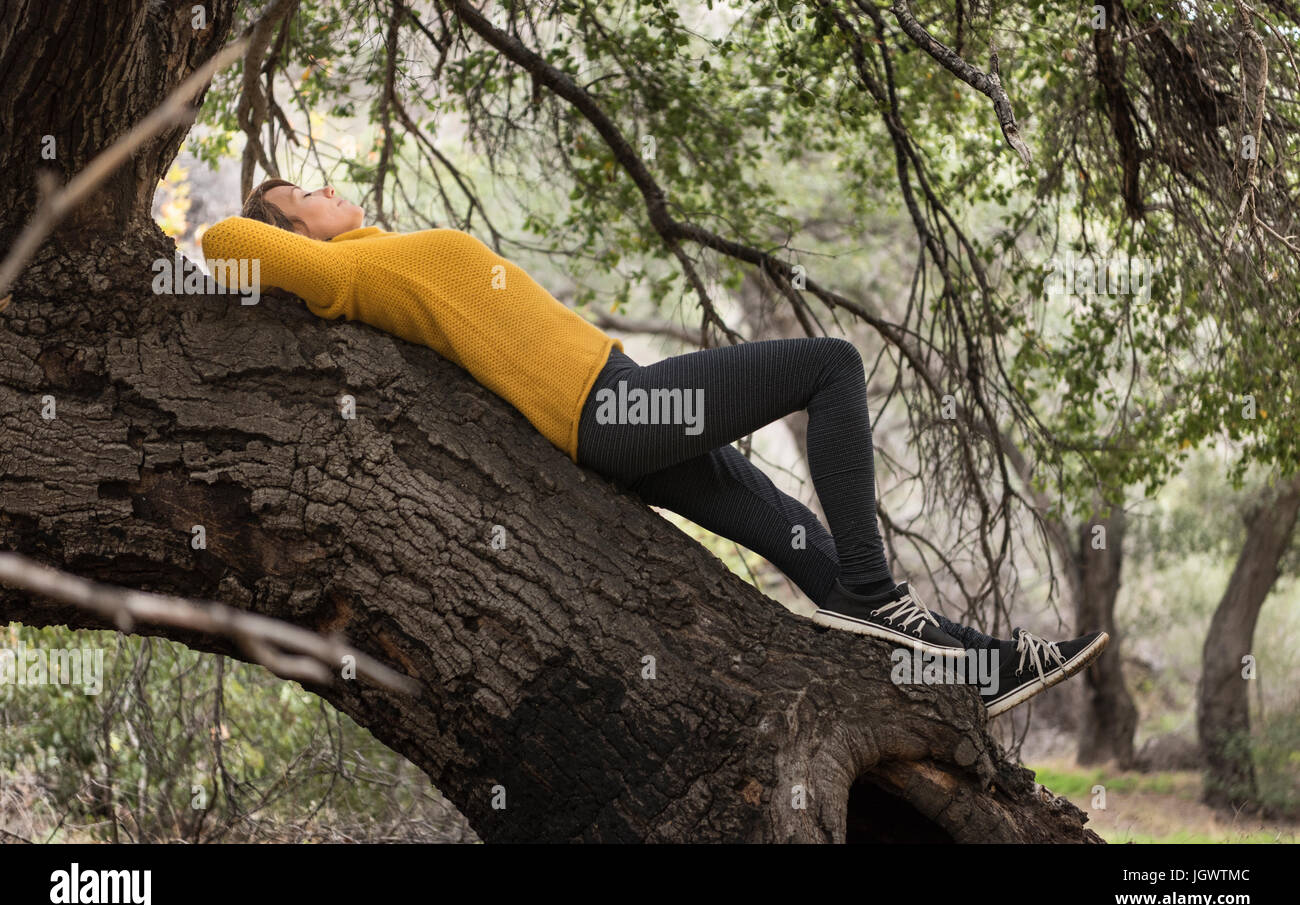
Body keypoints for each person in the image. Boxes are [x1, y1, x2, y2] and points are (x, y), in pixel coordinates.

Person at [201, 179, 1110, 719]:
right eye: (304, 195)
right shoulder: (348, 270)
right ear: (300, 234)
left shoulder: (377, 246)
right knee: (831, 366)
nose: (325, 188)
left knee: (794, 532)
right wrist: (256, 218)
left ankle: (978, 670)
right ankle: (880, 596)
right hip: (612, 409)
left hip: (621, 396)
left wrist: (297, 212)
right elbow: (220, 238)